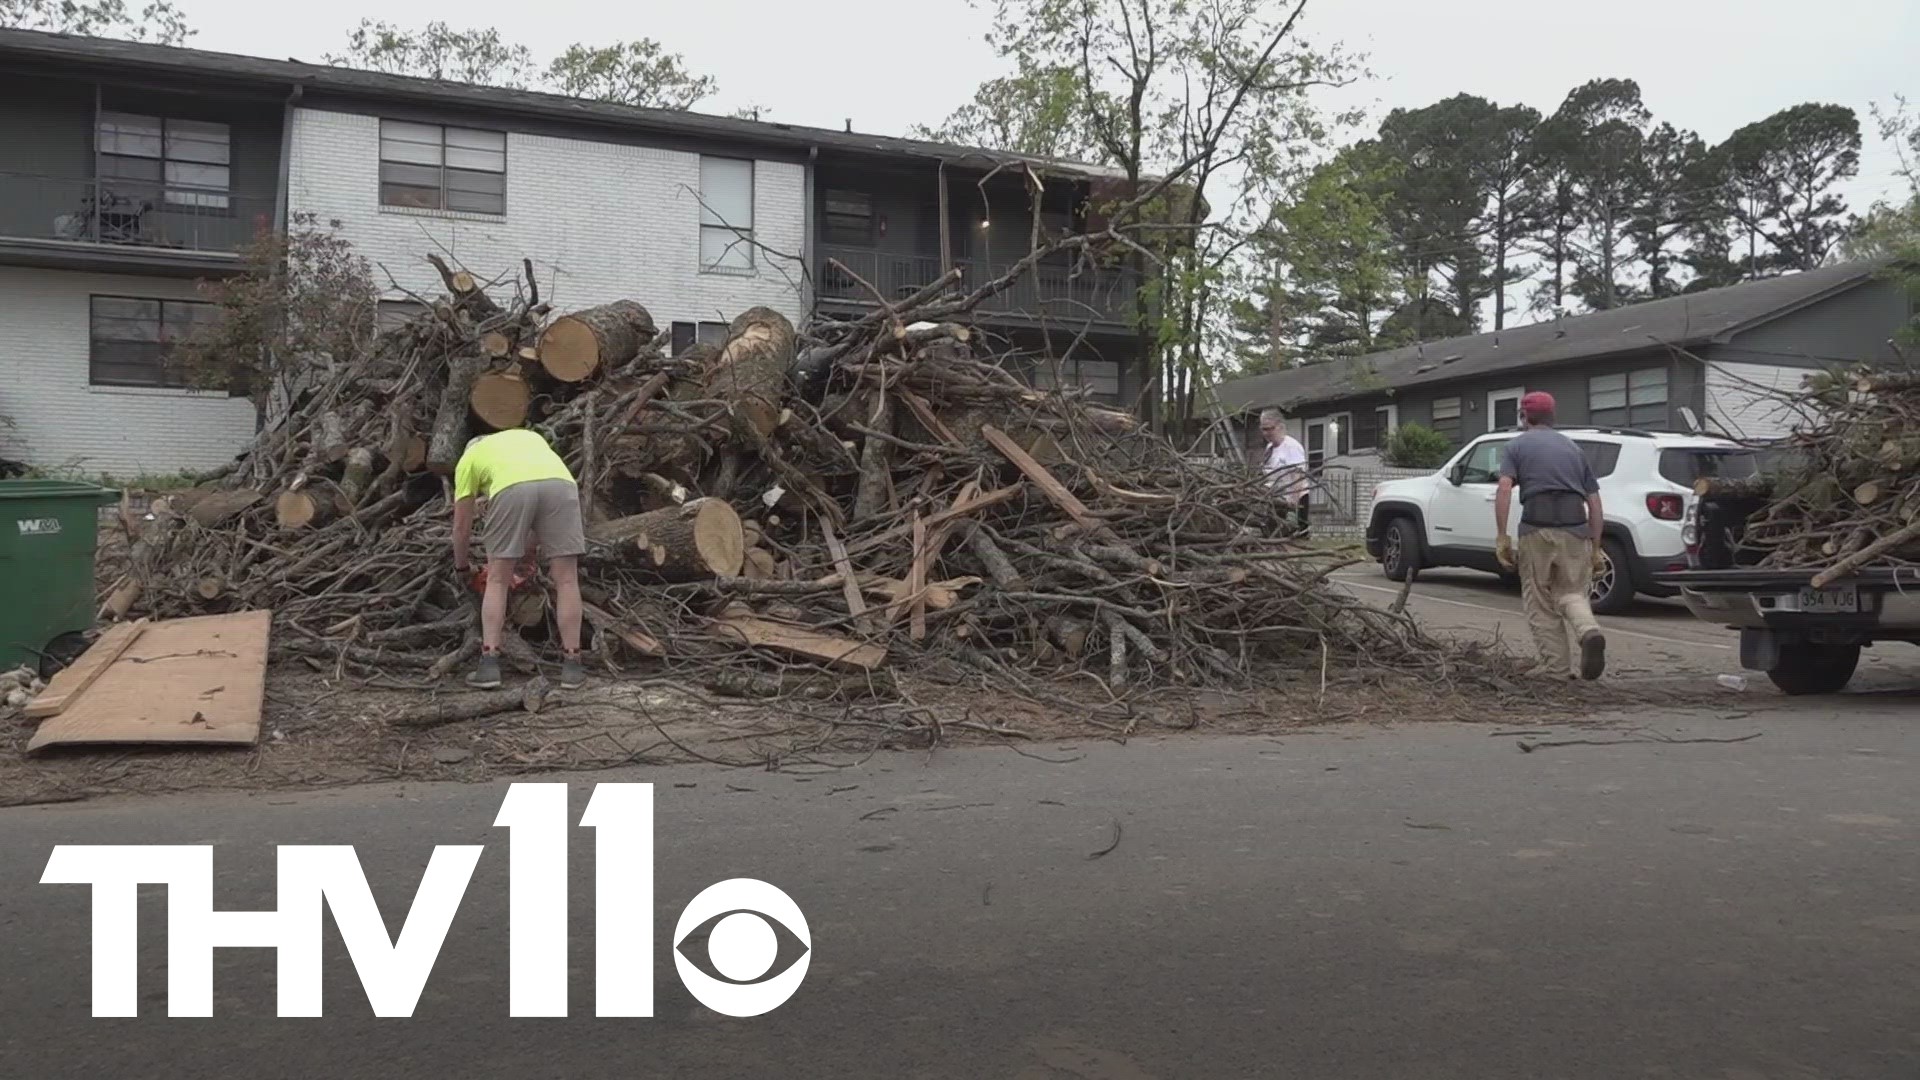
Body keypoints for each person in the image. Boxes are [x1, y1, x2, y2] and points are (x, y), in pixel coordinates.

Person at [452, 427, 587, 690]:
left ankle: (489, 663)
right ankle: (573, 666)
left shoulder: (468, 459)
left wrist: (461, 566)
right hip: (562, 484)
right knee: (568, 580)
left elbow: (460, 527)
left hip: (511, 488)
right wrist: (527, 560)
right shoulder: (528, 437)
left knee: (498, 579)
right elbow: (537, 500)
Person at [1493, 392, 1608, 680]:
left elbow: (1505, 489)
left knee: (1540, 600)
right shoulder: (1573, 449)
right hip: (1575, 526)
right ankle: (1588, 631)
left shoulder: (1516, 446)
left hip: (1537, 526)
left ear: (1524, 417)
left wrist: (1502, 536)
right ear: (1552, 416)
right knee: (1571, 591)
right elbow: (1594, 501)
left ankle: (1556, 668)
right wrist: (1595, 546)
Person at [1257, 408, 1310, 533]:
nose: (1267, 433)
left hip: (1292, 500)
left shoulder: (1291, 446)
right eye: (1264, 429)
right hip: (1276, 498)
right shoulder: (1269, 448)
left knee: (1292, 536)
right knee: (1271, 533)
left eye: (1270, 428)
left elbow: (1298, 476)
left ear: (1280, 426)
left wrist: (1293, 506)